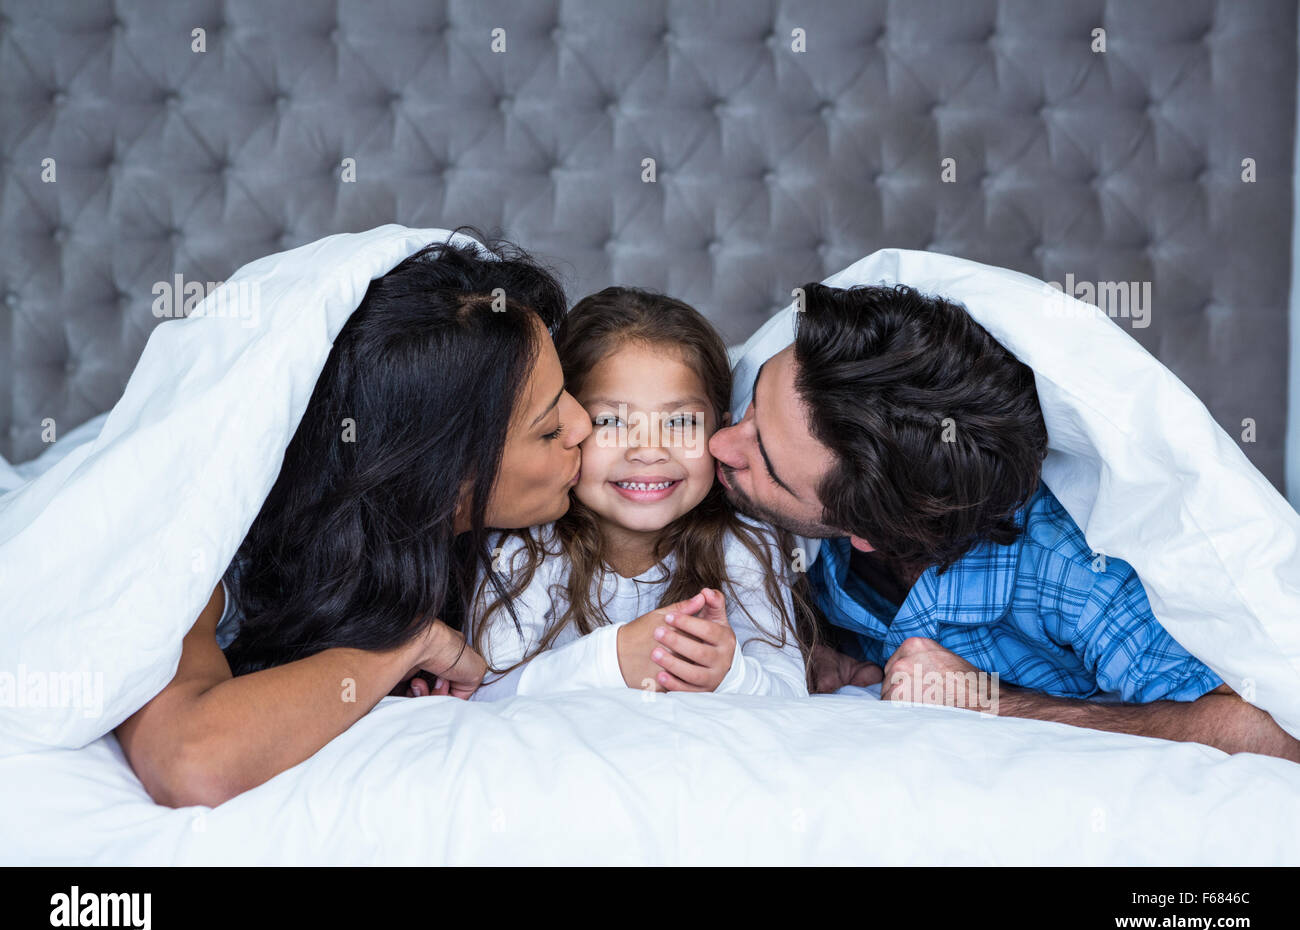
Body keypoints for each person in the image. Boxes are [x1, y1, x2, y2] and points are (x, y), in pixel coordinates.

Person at [708, 281, 1300, 761]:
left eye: (763, 459)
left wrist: (994, 703)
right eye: (754, 404)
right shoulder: (781, 516)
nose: (719, 445)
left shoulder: (1077, 575)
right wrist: (809, 647)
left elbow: (1274, 733)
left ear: (867, 532)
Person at [113, 231, 594, 808]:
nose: (584, 423)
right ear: (439, 480)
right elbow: (189, 762)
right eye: (548, 428)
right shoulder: (211, 552)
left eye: (567, 390)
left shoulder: (537, 522)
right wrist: (403, 647)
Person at [467, 287, 812, 700]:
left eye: (681, 421)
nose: (649, 450)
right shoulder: (523, 546)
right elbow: (486, 690)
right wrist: (613, 658)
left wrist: (732, 675)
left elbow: (790, 693)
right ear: (567, 424)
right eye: (611, 420)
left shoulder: (745, 544)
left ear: (719, 430)